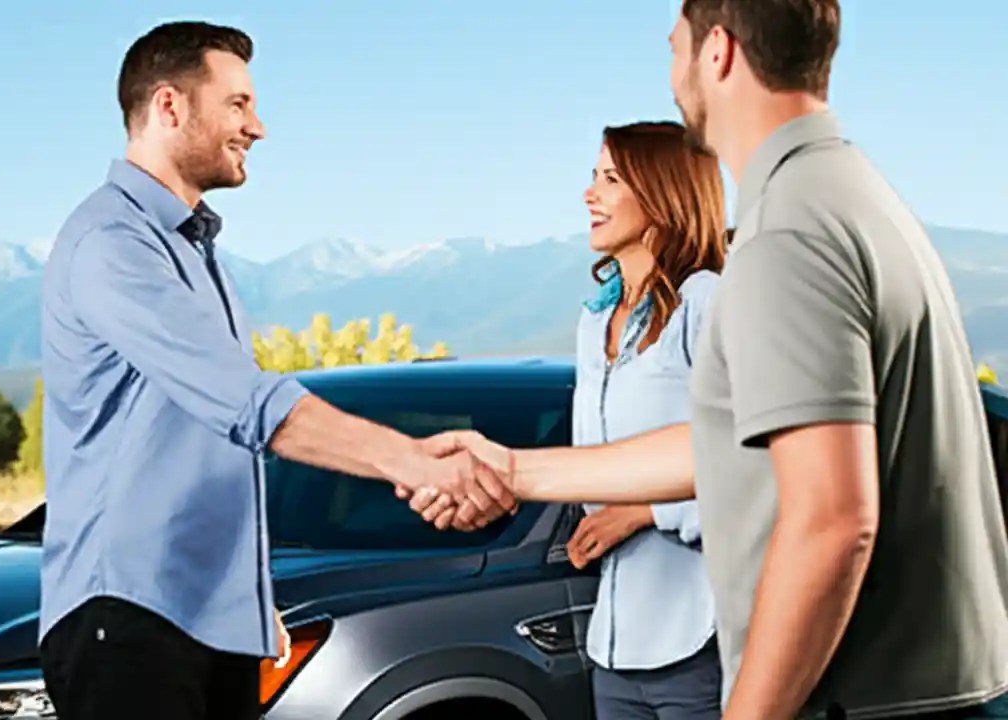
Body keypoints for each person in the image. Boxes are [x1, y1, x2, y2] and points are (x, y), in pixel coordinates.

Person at [412, 1, 1008, 718]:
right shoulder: (849, 198)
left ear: (717, 52)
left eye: (673, 50)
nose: (670, 76)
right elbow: (723, 446)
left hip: (873, 698)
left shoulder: (790, 232)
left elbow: (833, 520)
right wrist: (512, 468)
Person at [35, 21, 514, 720]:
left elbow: (211, 446)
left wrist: (248, 610)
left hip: (205, 621)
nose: (257, 127)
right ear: (170, 107)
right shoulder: (114, 244)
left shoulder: (193, 248)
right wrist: (416, 462)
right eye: (238, 104)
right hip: (130, 619)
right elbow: (250, 407)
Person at [567, 120, 727, 719]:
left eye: (610, 178)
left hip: (701, 638)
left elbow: (757, 470)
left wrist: (643, 514)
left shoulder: (706, 305)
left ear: (662, 192)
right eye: (593, 176)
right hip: (614, 648)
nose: (590, 193)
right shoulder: (592, 323)